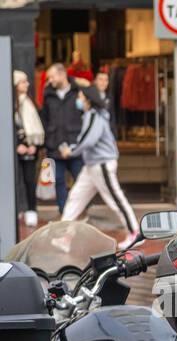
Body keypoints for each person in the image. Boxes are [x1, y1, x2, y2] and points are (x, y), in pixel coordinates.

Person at [59, 85, 139, 250]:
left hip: (101, 164)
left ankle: (135, 233)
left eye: (80, 97)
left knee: (115, 199)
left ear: (88, 99)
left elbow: (88, 140)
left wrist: (71, 151)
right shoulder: (92, 116)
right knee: (75, 198)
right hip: (93, 165)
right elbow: (87, 139)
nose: (78, 100)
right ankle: (65, 237)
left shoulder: (95, 116)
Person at [39, 64, 83, 214]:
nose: (50, 80)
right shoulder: (48, 93)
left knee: (81, 181)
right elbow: (44, 118)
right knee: (57, 181)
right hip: (54, 146)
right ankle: (65, 213)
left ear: (62, 74)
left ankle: (79, 210)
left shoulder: (78, 90)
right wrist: (46, 142)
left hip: (75, 145)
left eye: (52, 77)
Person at [12, 71, 44, 228]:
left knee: (30, 180)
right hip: (15, 149)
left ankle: (32, 211)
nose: (27, 84)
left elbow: (36, 126)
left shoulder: (30, 102)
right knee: (13, 181)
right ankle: (17, 209)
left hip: (30, 149)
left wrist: (34, 145)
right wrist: (16, 144)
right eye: (23, 82)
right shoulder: (9, 103)